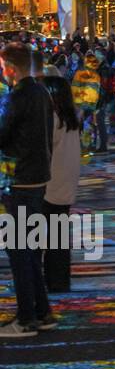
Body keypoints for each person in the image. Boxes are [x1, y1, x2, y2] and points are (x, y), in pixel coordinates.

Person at [0, 42, 56, 337]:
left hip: (19, 178)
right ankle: (42, 311)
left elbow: (3, 134)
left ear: (10, 67)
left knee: (19, 250)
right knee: (30, 249)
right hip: (37, 176)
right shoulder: (40, 91)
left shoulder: (18, 96)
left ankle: (26, 318)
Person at [40, 72, 81, 294]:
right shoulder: (71, 118)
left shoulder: (52, 120)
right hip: (66, 183)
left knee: (39, 237)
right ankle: (59, 280)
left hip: (49, 184)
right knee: (59, 236)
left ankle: (46, 280)